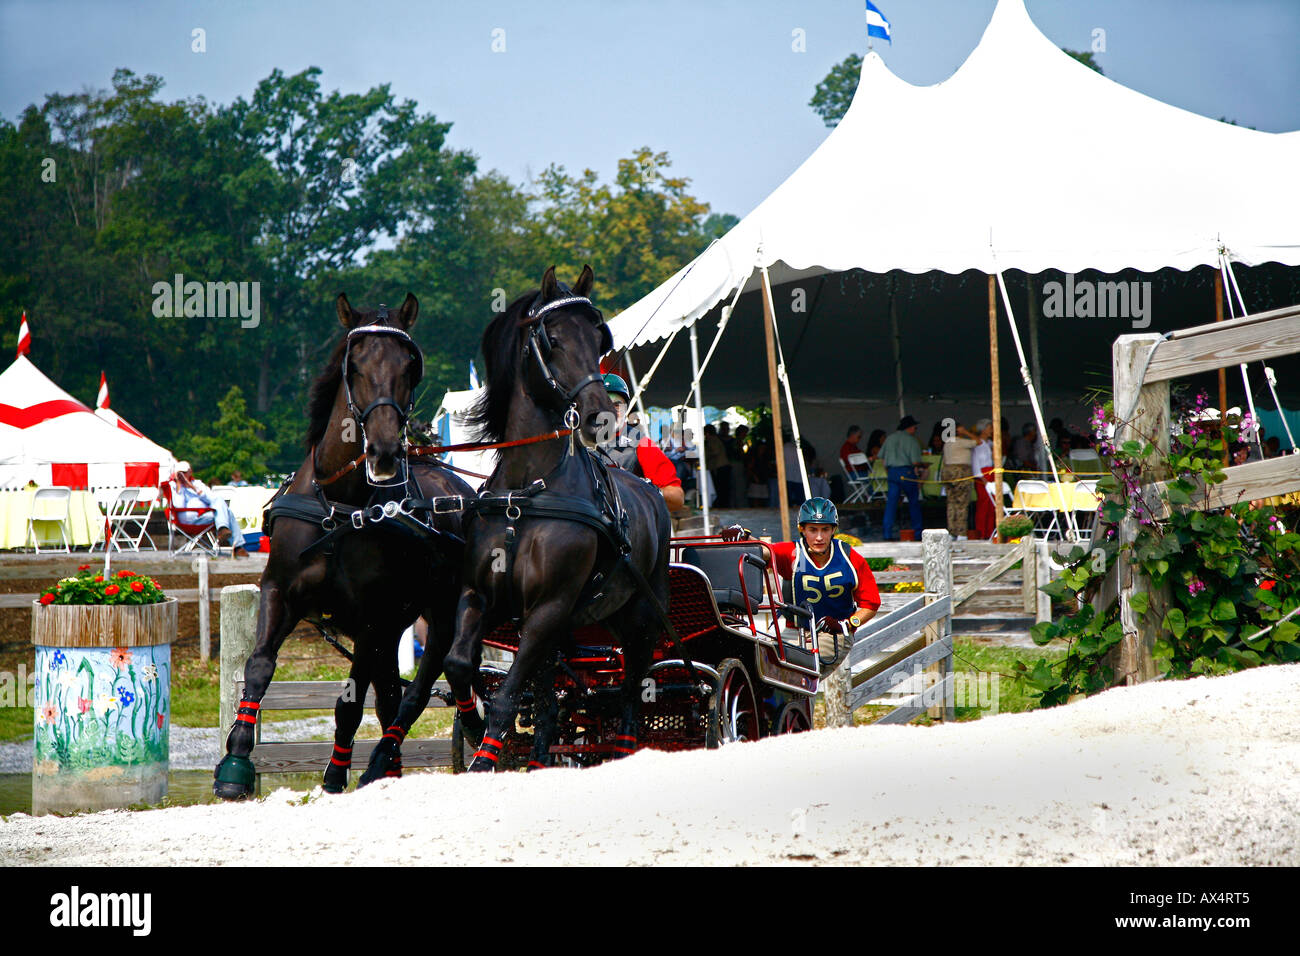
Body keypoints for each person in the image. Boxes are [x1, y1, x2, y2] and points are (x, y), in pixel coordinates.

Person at [721, 498, 879, 672]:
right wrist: (743, 536)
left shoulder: (849, 557)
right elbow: (764, 551)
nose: (819, 537)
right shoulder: (793, 553)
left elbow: (871, 604)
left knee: (802, 673)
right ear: (802, 529)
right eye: (812, 530)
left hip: (832, 634)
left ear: (834, 529)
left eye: (825, 529)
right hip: (794, 631)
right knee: (767, 671)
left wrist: (846, 624)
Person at [596, 375, 685, 512]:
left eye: (616, 405)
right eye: (603, 403)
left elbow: (676, 498)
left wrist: (638, 485)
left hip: (625, 527)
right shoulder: (574, 441)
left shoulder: (641, 443)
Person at [171, 461, 249, 557]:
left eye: (184, 472)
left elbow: (212, 498)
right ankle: (235, 544)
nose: (182, 476)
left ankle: (223, 528)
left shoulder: (197, 484)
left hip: (204, 515)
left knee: (220, 502)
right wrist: (180, 487)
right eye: (180, 473)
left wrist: (194, 488)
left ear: (190, 472)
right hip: (187, 518)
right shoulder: (174, 486)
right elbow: (178, 505)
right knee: (227, 513)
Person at [880, 415, 924, 540]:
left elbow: (882, 457)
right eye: (915, 428)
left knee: (891, 504)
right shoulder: (911, 440)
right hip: (907, 472)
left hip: (893, 472)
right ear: (910, 428)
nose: (915, 430)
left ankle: (887, 533)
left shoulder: (889, 438)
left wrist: (888, 470)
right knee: (914, 503)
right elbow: (915, 462)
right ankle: (917, 532)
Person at [940, 421, 980, 538]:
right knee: (962, 502)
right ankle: (961, 532)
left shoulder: (947, 443)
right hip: (961, 472)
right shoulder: (961, 442)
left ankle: (951, 531)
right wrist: (966, 432)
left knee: (951, 503)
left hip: (947, 472)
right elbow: (979, 441)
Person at [970, 419, 997, 539]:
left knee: (992, 505)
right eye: (990, 428)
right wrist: (982, 478)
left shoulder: (990, 443)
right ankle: (981, 533)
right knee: (983, 505)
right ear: (984, 429)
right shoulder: (977, 444)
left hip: (992, 473)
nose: (992, 430)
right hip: (983, 476)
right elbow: (975, 462)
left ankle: (990, 533)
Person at [703, 423, 731, 508]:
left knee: (721, 488)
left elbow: (715, 452)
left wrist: (705, 455)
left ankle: (722, 506)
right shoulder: (716, 439)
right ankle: (723, 505)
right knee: (722, 488)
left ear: (707, 433)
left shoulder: (712, 439)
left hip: (720, 466)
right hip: (721, 466)